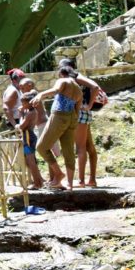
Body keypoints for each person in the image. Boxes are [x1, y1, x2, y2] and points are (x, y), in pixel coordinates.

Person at [34, 66, 84, 190]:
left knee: (41, 147)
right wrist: (72, 121)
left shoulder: (63, 80)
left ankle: (58, 174)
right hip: (72, 118)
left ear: (62, 73)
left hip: (59, 115)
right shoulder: (78, 89)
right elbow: (77, 109)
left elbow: (56, 89)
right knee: (69, 151)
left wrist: (41, 95)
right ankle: (70, 184)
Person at [59, 58, 102, 188]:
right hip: (81, 113)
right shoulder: (74, 78)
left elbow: (95, 87)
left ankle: (81, 181)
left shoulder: (76, 77)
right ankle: (92, 180)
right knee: (89, 147)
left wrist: (89, 105)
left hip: (79, 113)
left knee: (80, 147)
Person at [16, 91, 45, 190]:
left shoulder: (30, 113)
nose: (22, 105)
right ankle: (39, 180)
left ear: (29, 103)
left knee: (30, 160)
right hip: (29, 136)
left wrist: (20, 114)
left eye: (23, 103)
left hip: (28, 137)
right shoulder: (30, 112)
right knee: (30, 161)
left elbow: (21, 126)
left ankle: (37, 183)